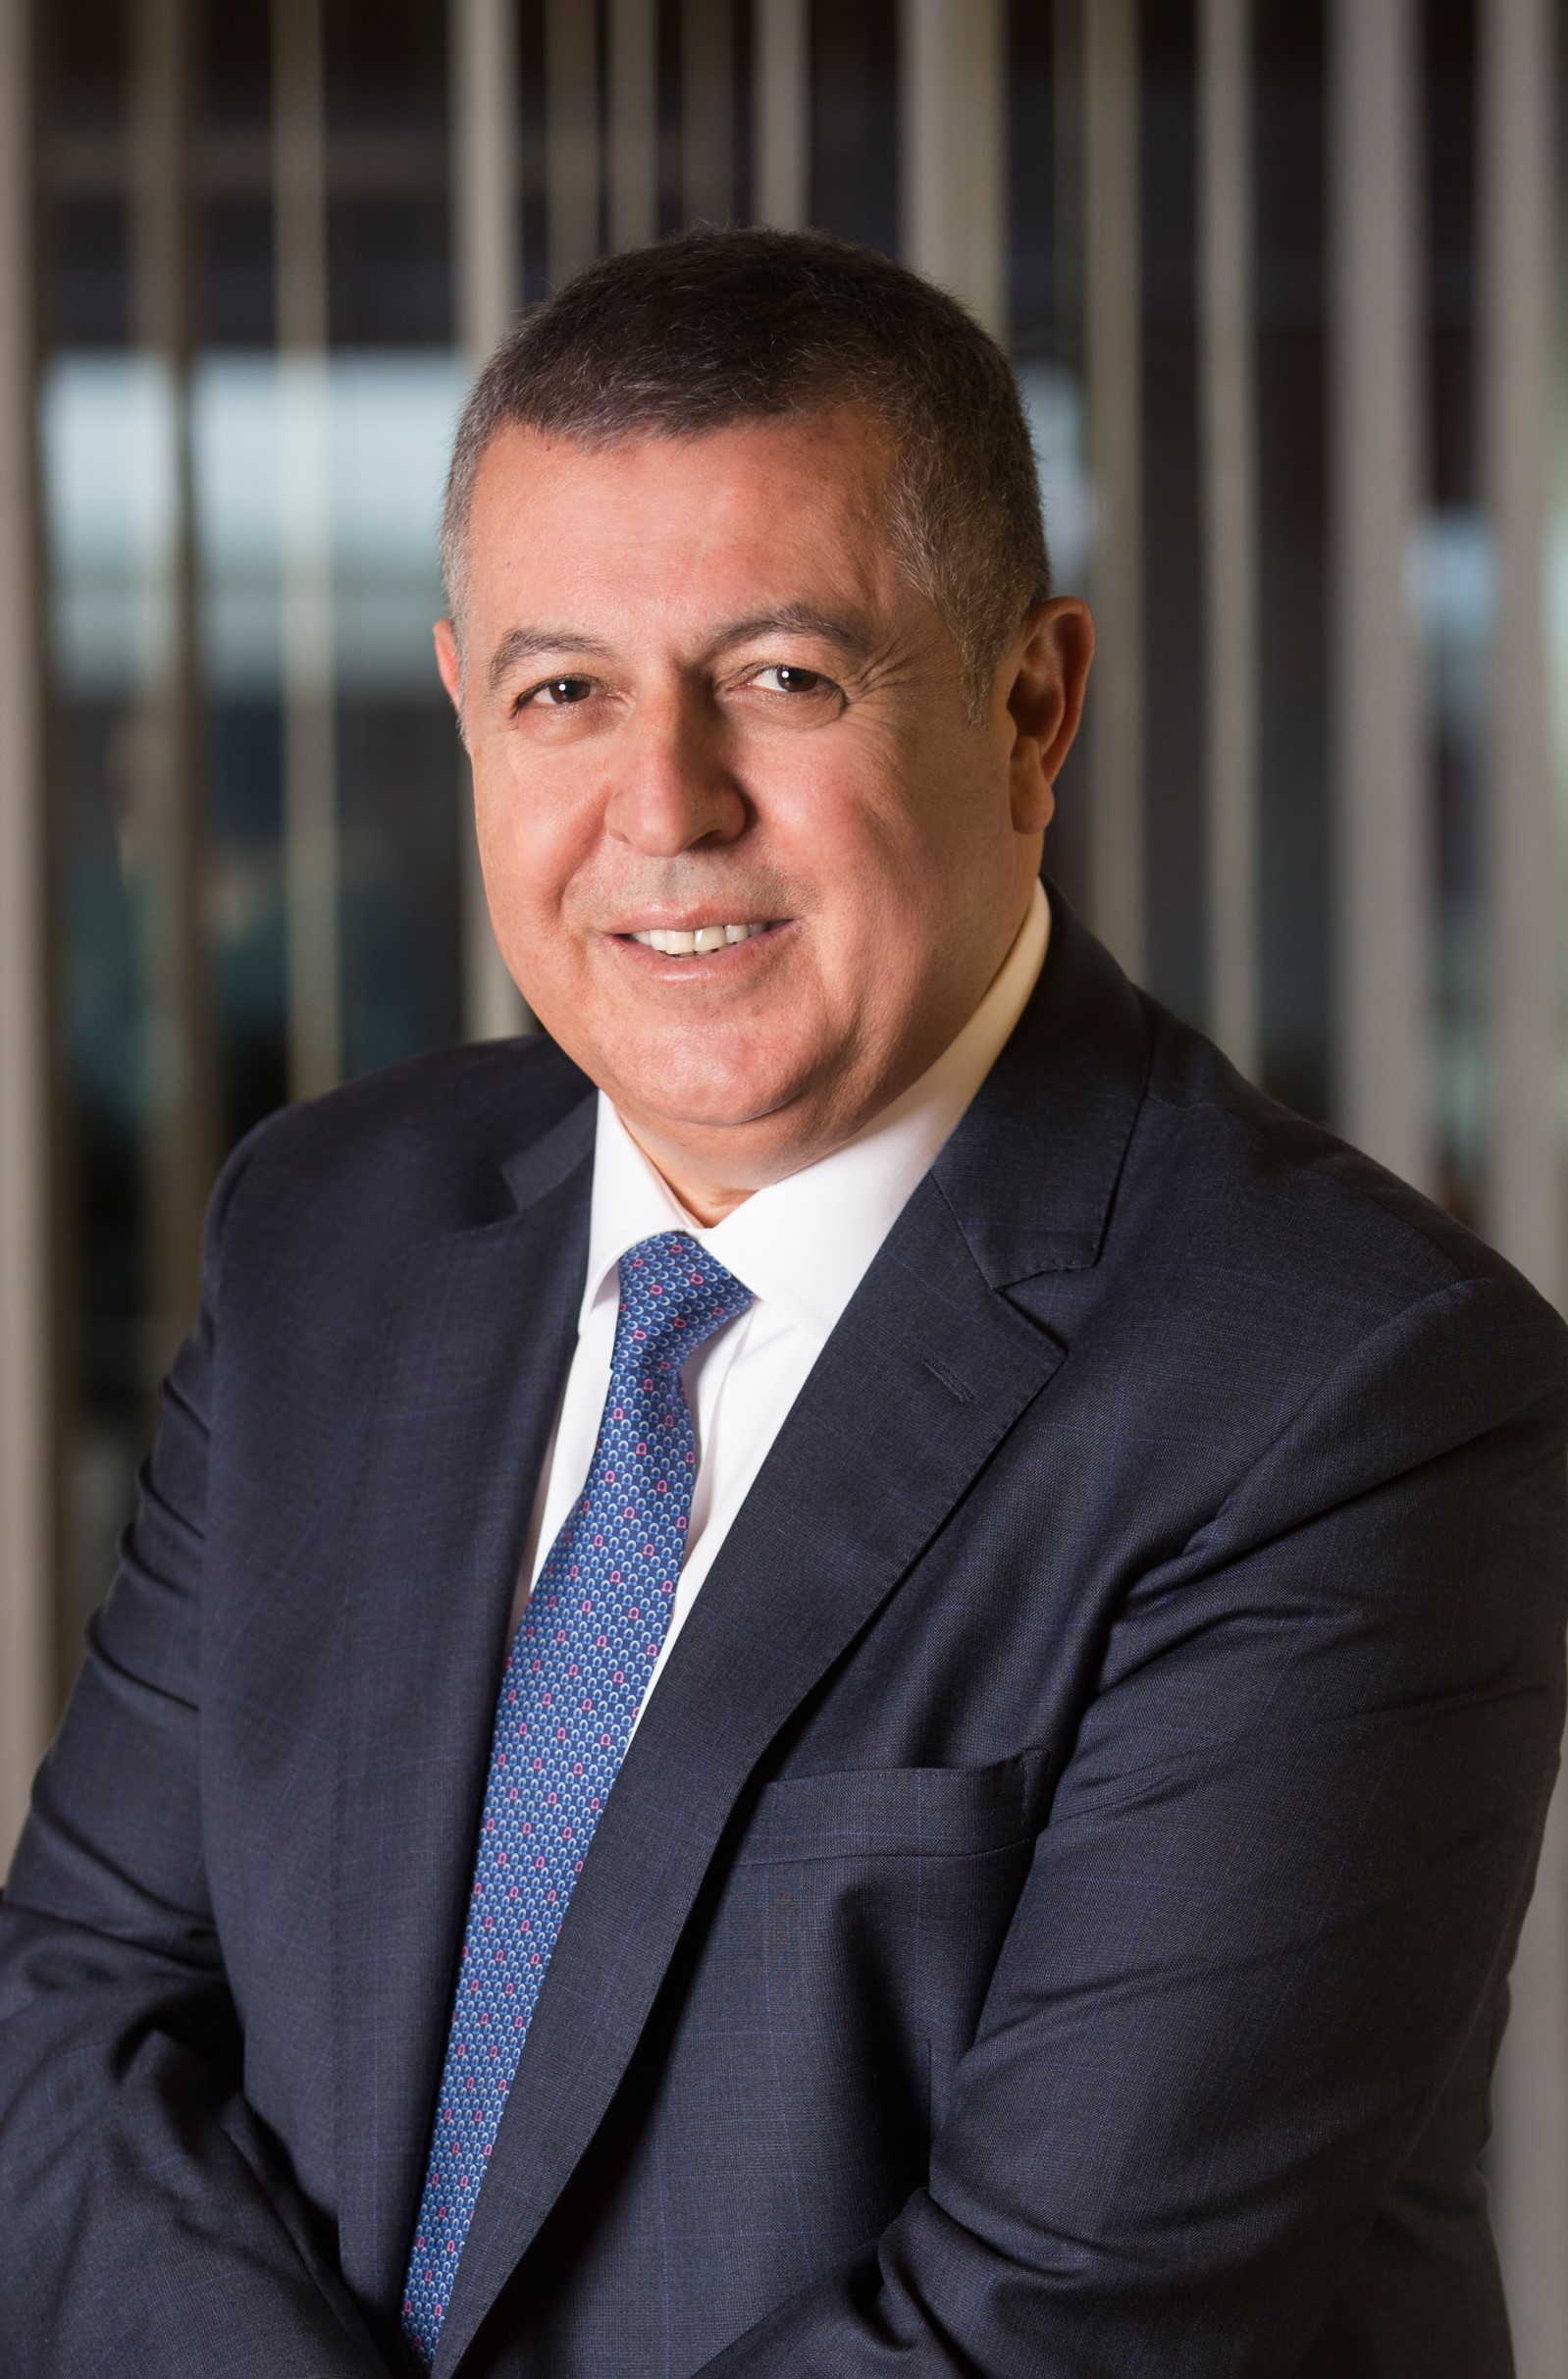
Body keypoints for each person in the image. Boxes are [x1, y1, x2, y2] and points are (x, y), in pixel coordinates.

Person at [1, 228, 1563, 2379]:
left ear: (1029, 710)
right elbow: (81, 2011)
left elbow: (1047, 2329)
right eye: (564, 692)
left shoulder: (1345, 1390)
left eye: (783, 678)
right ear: (466, 711)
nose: (663, 806)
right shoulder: (331, 1236)